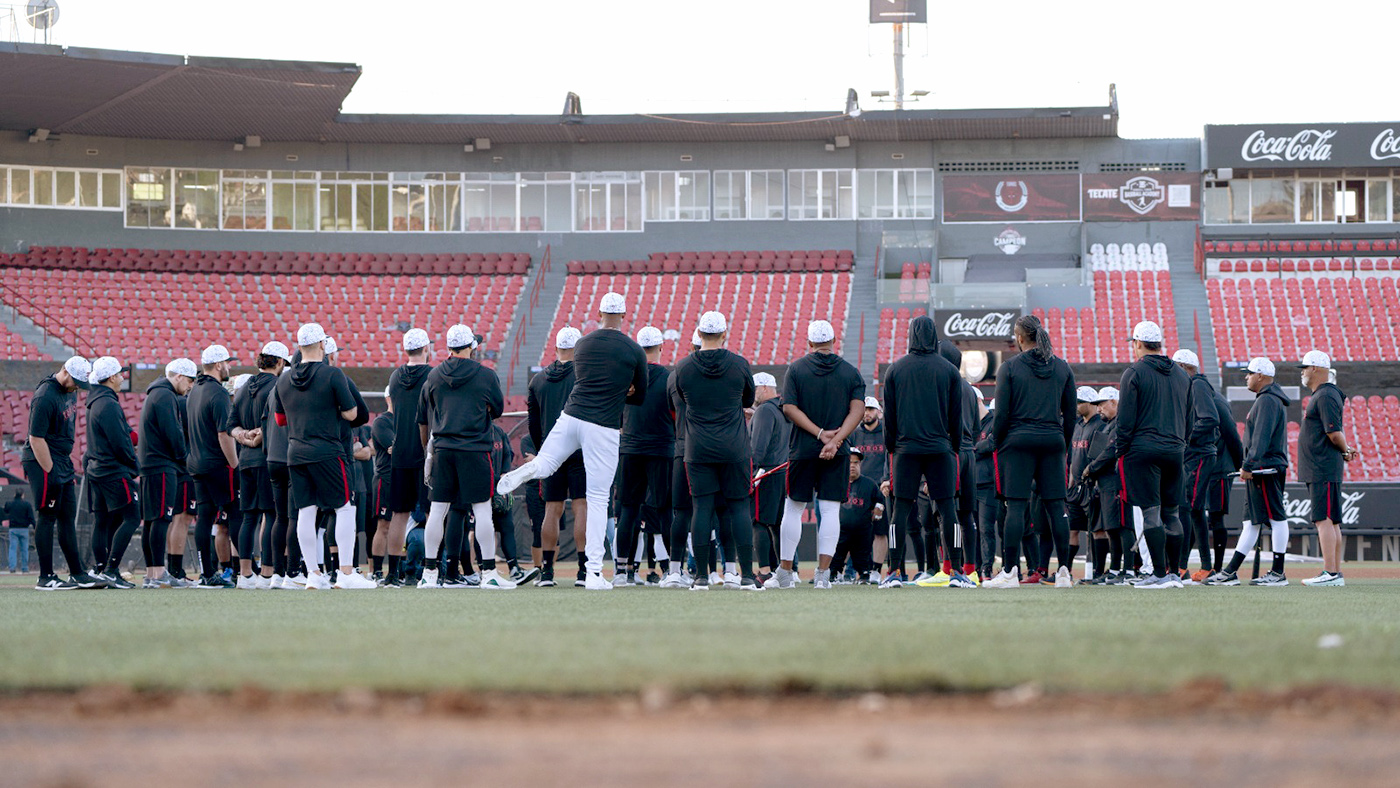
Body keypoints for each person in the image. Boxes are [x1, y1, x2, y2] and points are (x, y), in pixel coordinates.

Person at [497, 293, 649, 591]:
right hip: (602, 425)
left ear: (600, 312)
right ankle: (593, 573)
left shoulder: (583, 344)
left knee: (544, 463)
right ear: (624, 315)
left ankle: (520, 474)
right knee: (596, 499)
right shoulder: (633, 350)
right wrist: (623, 389)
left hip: (571, 416)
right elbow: (639, 396)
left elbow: (585, 378)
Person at [766, 319, 865, 590]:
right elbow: (857, 411)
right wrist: (836, 440)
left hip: (803, 449)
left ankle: (786, 573)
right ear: (834, 341)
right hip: (839, 450)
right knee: (831, 509)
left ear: (809, 344)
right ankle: (823, 575)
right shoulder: (850, 372)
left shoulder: (796, 369)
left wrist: (820, 434)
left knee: (794, 508)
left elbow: (789, 408)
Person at [275, 323, 375, 590]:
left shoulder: (283, 379)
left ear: (298, 347)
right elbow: (353, 414)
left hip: (295, 452)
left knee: (306, 512)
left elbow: (280, 418)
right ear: (322, 345)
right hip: (328, 451)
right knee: (343, 507)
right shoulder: (332, 375)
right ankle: (344, 573)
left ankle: (313, 574)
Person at [983, 316, 1077, 589]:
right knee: (1057, 507)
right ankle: (1063, 573)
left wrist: (996, 441)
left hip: (1019, 442)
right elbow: (1070, 415)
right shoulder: (1062, 367)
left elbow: (1001, 414)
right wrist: (1063, 444)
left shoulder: (1009, 367)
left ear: (1020, 337)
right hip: (1052, 441)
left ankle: (1010, 572)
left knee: (1016, 507)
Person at [418, 324, 512, 589]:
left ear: (448, 347)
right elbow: (497, 410)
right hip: (474, 449)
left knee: (437, 511)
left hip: (444, 449)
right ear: (471, 346)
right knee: (482, 510)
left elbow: (432, 410)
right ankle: (489, 574)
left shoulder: (434, 375)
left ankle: (429, 574)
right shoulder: (485, 375)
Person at [672, 311, 760, 591]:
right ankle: (746, 575)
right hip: (735, 447)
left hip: (698, 448)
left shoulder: (683, 367)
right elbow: (748, 398)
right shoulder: (739, 364)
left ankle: (700, 577)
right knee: (738, 509)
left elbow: (684, 399)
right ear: (725, 334)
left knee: (702, 508)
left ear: (699, 332)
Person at [880, 315, 970, 589]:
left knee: (899, 511)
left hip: (906, 450)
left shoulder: (895, 370)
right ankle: (956, 572)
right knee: (948, 509)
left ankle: (894, 572)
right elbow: (957, 419)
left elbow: (889, 418)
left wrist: (893, 447)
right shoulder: (949, 371)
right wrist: (952, 447)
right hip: (940, 449)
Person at [1112, 321, 1191, 590]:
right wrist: (1180, 445)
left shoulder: (1134, 372)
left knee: (1151, 513)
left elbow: (1124, 421)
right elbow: (1189, 419)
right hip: (1175, 451)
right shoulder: (1182, 375)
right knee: (1172, 513)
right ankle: (1174, 574)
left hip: (1143, 451)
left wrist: (1120, 450)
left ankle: (1158, 574)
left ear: (1137, 343)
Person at [1207, 357, 1291, 587]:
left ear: (1261, 376)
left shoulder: (1267, 401)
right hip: (1263, 467)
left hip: (1264, 469)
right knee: (1251, 523)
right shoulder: (1268, 400)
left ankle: (1277, 572)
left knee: (1275, 518)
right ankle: (1231, 572)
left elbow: (1261, 438)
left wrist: (1249, 465)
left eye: (1250, 373)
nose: (1247, 377)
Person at [25, 356, 105, 591]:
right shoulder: (45, 396)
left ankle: (77, 574)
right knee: (47, 516)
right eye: (76, 381)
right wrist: (50, 470)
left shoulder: (70, 391)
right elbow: (35, 438)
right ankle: (46, 576)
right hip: (43, 459)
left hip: (62, 461)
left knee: (67, 517)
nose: (78, 386)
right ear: (65, 372)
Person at [526, 326, 588, 587]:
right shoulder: (584, 375)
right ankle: (584, 572)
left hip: (551, 450)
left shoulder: (538, 381)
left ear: (556, 349)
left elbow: (533, 425)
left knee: (552, 509)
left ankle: (547, 572)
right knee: (582, 505)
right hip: (578, 449)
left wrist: (543, 449)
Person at [613, 326, 674, 586]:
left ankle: (620, 572)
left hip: (631, 448)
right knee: (665, 511)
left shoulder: (625, 377)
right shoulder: (670, 378)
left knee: (628, 510)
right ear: (661, 347)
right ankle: (674, 570)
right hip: (661, 448)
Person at [227, 341, 290, 589]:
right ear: (279, 362)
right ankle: (266, 573)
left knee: (248, 518)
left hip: (246, 461)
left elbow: (230, 425)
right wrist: (257, 436)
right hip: (267, 456)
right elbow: (272, 421)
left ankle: (244, 575)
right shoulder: (278, 385)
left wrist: (243, 436)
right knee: (272, 515)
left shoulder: (242, 388)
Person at [1297, 351, 1358, 587]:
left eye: (1305, 367)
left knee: (1324, 519)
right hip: (1321, 466)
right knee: (1330, 520)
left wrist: (1344, 449)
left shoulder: (1325, 395)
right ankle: (1334, 573)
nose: (1302, 371)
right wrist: (1346, 447)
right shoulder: (1324, 395)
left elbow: (1333, 432)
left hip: (1321, 466)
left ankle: (1330, 573)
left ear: (1316, 369)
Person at [82, 357, 141, 589]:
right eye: (118, 374)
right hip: (112, 470)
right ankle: (111, 569)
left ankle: (100, 568)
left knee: (103, 521)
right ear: (109, 378)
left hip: (97, 469)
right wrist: (133, 465)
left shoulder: (96, 401)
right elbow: (120, 442)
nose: (122, 377)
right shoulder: (108, 403)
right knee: (132, 517)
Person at [136, 359, 195, 588]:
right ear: (178, 376)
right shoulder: (165, 396)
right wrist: (183, 457)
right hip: (162, 465)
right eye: (189, 380)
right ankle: (159, 574)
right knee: (161, 519)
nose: (190, 386)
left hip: (152, 464)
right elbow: (173, 432)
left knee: (152, 521)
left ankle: (152, 574)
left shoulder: (157, 393)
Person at [185, 345, 239, 588]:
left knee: (205, 519)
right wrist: (235, 464)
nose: (229, 366)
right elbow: (223, 434)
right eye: (227, 362)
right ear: (218, 365)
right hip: (218, 464)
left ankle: (207, 573)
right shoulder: (217, 393)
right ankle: (247, 571)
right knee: (237, 514)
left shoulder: (195, 390)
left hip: (197, 462)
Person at [386, 328, 433, 586]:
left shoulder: (395, 376)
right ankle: (435, 570)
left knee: (399, 514)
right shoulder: (433, 375)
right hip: (425, 452)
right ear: (426, 348)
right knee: (434, 513)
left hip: (400, 451)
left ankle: (392, 573)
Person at [1173, 349, 1224, 581]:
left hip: (1200, 454)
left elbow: (1210, 418)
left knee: (1188, 508)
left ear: (1183, 367)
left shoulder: (1198, 385)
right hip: (1196, 454)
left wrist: (1186, 436)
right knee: (1193, 509)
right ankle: (1203, 565)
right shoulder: (1192, 386)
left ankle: (1184, 566)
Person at [661, 331, 702, 589]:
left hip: (683, 446)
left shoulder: (675, 374)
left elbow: (672, 409)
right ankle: (711, 572)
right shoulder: (723, 370)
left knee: (681, 513)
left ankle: (675, 570)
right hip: (711, 447)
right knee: (710, 511)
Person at [1083, 387, 1132, 583]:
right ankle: (1114, 570)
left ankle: (1127, 570)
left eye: (1102, 404)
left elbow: (1111, 450)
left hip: (1117, 480)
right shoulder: (1107, 425)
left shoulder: (1120, 423)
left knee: (1122, 526)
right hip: (1105, 482)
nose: (1099, 409)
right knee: (1111, 527)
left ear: (1114, 402)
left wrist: (1091, 468)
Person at [748, 371, 789, 584]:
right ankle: (784, 570)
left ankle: (764, 571)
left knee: (759, 523)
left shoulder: (764, 410)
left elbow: (758, 448)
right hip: (782, 472)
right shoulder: (785, 409)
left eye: (754, 388)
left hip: (766, 472)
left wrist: (749, 472)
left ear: (764, 388)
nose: (752, 393)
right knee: (776, 525)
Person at [1066, 385, 1105, 583]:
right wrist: (1071, 479)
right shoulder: (1077, 425)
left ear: (1091, 403)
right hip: (1076, 487)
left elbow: (1099, 455)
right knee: (1072, 529)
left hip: (1092, 485)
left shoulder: (1099, 425)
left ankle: (1097, 571)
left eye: (1080, 402)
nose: (1077, 405)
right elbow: (1074, 455)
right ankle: (1066, 570)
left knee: (1096, 529)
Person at [831, 450, 884, 584]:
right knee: (837, 553)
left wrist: (878, 509)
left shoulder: (869, 484)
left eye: (856, 463)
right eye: (849, 463)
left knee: (863, 555)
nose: (853, 466)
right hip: (840, 528)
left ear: (860, 464)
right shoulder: (836, 481)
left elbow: (879, 500)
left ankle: (864, 575)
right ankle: (834, 574)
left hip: (862, 530)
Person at [369, 387, 397, 584]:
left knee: (402, 525)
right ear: (388, 397)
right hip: (386, 478)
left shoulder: (408, 421)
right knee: (384, 525)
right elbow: (394, 449)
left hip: (404, 478)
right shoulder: (381, 421)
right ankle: (377, 571)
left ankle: (396, 572)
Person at [972, 391, 1000, 581]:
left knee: (985, 528)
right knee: (971, 528)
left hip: (988, 483)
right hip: (970, 482)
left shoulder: (994, 420)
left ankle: (986, 569)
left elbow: (992, 443)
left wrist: (973, 449)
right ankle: (974, 568)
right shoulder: (967, 423)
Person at [850, 397, 887, 483]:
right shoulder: (854, 434)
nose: (866, 413)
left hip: (882, 483)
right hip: (861, 483)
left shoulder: (886, 433)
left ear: (878, 411)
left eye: (870, 410)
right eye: (864, 410)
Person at [5, 491, 34, 573]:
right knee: (24, 549)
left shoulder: (10, 504)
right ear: (22, 495)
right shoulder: (27, 504)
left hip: (13, 529)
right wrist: (34, 526)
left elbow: (6, 510)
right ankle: (25, 568)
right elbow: (31, 517)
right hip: (24, 529)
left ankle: (12, 567)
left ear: (15, 495)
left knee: (13, 549)